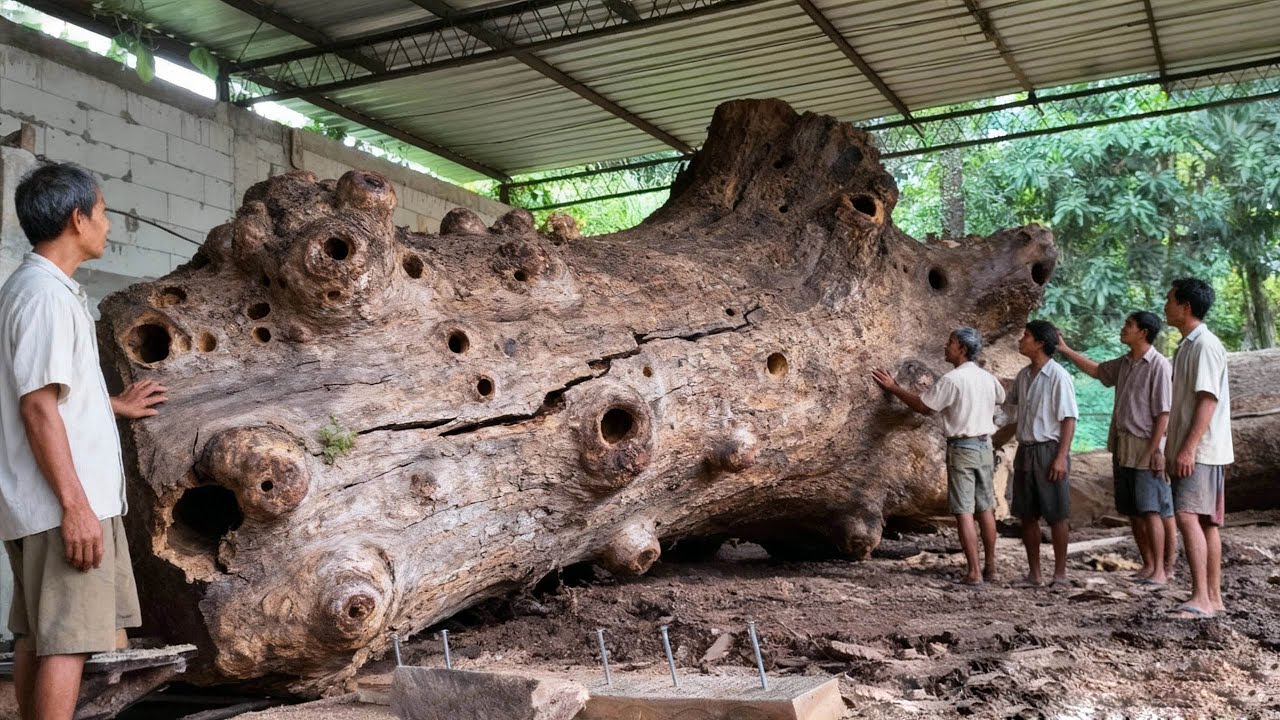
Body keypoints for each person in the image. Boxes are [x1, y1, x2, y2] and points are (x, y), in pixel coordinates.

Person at [0, 162, 166, 720]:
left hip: (38, 501)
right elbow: (37, 406)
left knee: (37, 637)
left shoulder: (37, 290)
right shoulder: (44, 297)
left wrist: (111, 405)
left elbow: (50, 393)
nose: (109, 225)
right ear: (77, 218)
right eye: (102, 212)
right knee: (67, 642)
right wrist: (76, 507)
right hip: (60, 502)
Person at [872, 328, 1006, 586]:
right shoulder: (987, 378)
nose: (946, 346)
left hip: (963, 449)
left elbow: (923, 406)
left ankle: (973, 573)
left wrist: (893, 388)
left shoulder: (952, 380)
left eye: (951, 343)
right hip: (985, 446)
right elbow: (1000, 397)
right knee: (985, 508)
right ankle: (991, 568)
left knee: (964, 511)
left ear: (962, 350)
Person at [1057, 313, 1176, 585]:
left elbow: (1163, 414)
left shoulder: (1158, 365)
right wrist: (1065, 350)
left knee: (1151, 509)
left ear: (1143, 332)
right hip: (1122, 443)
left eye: (1129, 326)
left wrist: (1155, 450)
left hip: (1145, 443)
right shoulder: (1124, 363)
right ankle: (1148, 564)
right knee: (1133, 510)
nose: (1123, 329)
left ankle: (1160, 569)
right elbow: (1099, 372)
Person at [1163, 277, 1232, 619]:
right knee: (1206, 522)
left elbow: (1208, 400)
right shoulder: (1188, 345)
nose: (1165, 306)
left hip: (1201, 450)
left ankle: (1201, 598)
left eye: (1169, 300)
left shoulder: (1204, 345)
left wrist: (1187, 449)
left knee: (1187, 516)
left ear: (1185, 307)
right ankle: (1213, 598)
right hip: (1202, 449)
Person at [993, 320, 1078, 588]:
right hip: (1026, 450)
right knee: (1027, 514)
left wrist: (1061, 457)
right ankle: (1035, 574)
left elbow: (1069, 419)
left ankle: (1060, 574)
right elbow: (1012, 413)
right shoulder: (1023, 376)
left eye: (1026, 335)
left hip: (1049, 450)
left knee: (1056, 515)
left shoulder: (1059, 377)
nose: (1021, 339)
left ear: (1040, 343)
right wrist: (994, 438)